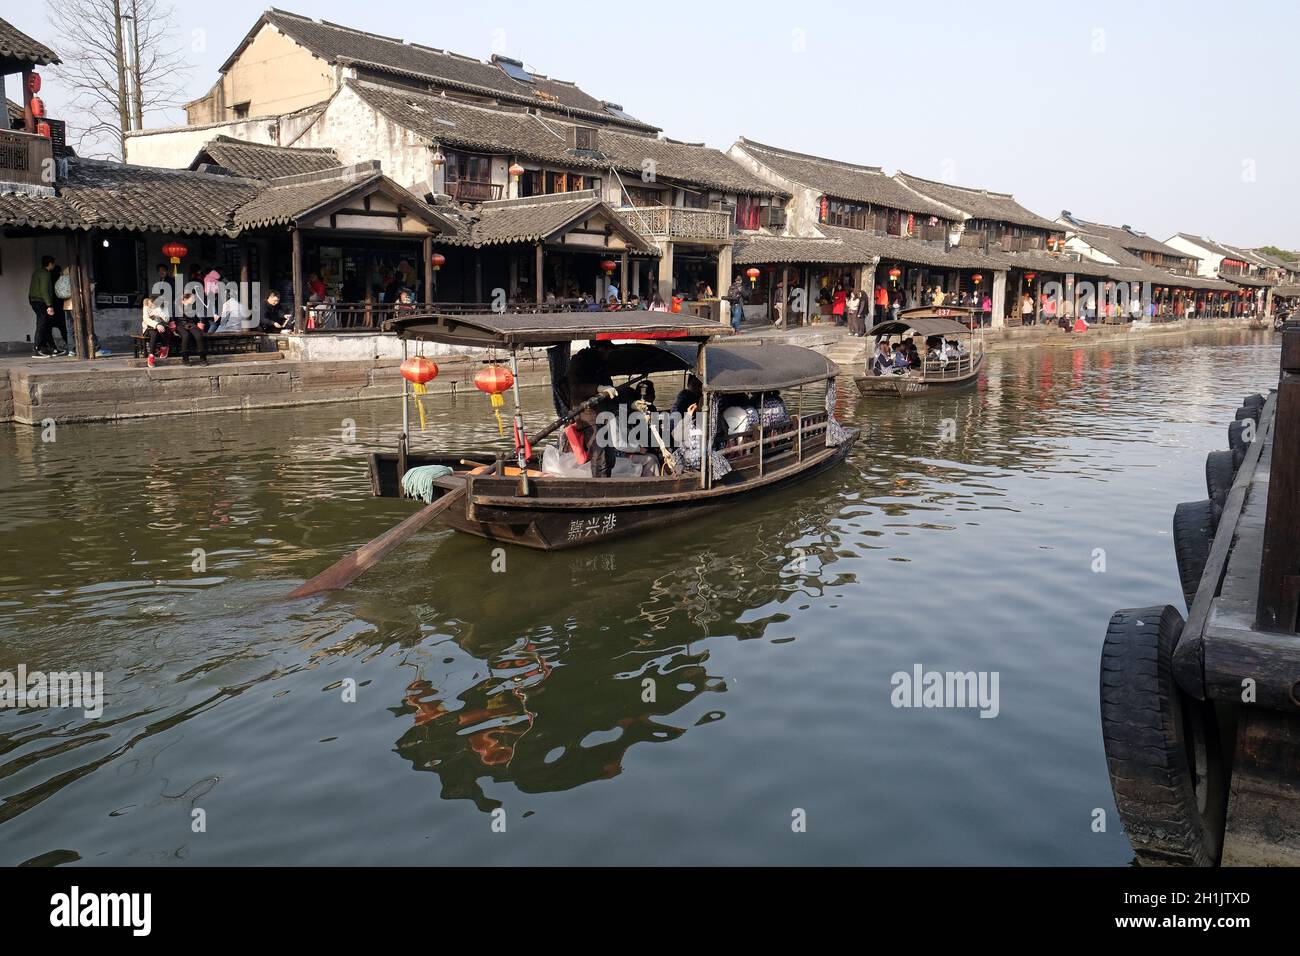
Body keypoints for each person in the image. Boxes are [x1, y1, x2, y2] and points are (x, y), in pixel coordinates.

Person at [28, 255, 59, 357]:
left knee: (44, 324)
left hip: (34, 300)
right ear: (50, 264)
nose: (54, 265)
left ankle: (50, 348)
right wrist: (49, 305)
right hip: (40, 301)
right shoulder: (45, 274)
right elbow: (44, 290)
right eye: (53, 263)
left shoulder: (37, 272)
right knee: (42, 324)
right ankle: (36, 349)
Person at [176, 291, 209, 366]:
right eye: (192, 298)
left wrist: (201, 322)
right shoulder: (177, 306)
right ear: (185, 299)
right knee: (186, 336)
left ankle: (203, 358)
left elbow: (200, 316)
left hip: (192, 324)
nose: (194, 299)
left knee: (198, 335)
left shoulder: (195, 306)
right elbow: (173, 318)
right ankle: (185, 358)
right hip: (181, 325)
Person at [141, 297, 170, 368]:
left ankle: (164, 348)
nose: (150, 306)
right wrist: (156, 325)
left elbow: (166, 319)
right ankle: (151, 356)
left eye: (152, 305)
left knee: (163, 329)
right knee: (154, 334)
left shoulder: (164, 307)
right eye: (149, 304)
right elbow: (146, 319)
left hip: (162, 327)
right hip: (149, 328)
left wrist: (158, 309)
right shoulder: (146, 307)